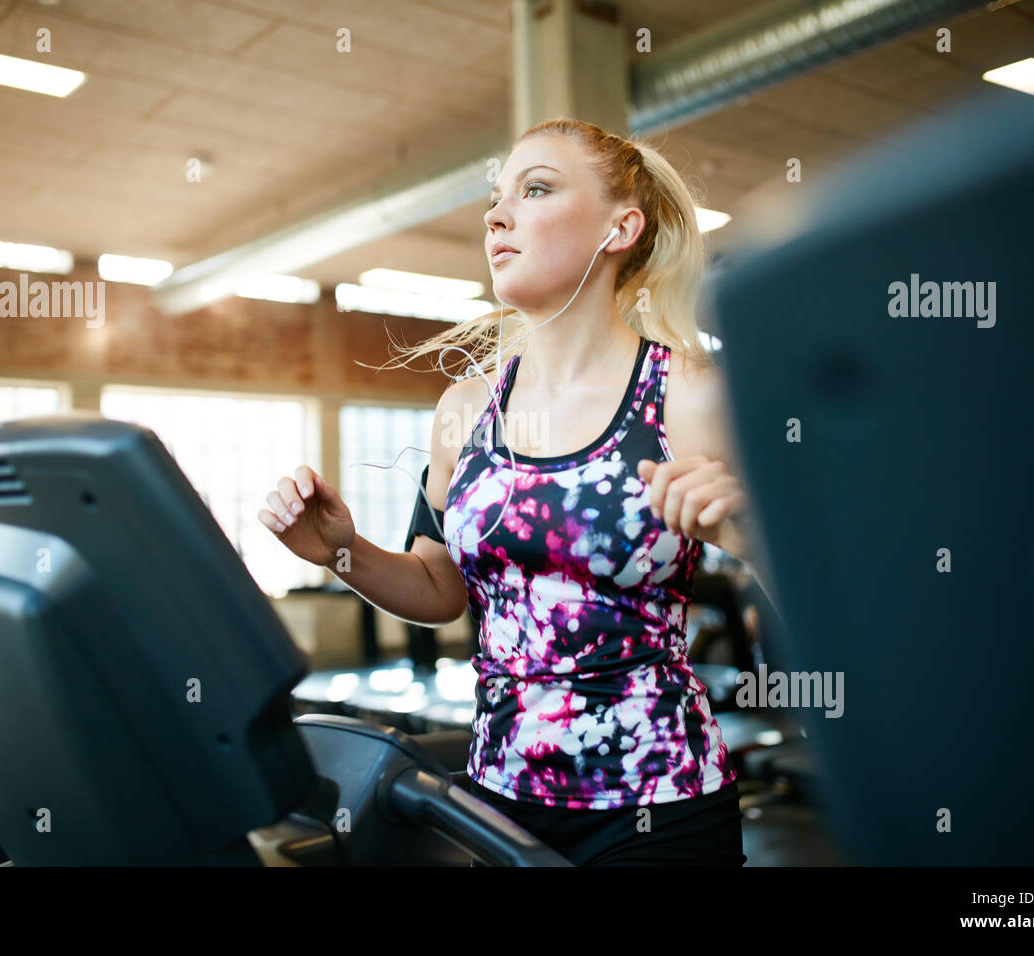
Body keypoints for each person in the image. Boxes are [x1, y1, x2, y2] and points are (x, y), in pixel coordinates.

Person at [259, 118, 755, 866]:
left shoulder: (686, 396)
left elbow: (836, 601)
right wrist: (342, 553)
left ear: (621, 227)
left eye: (536, 189)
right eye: (495, 200)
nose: (495, 216)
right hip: (498, 800)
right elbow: (439, 588)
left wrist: (746, 533)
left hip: (659, 802)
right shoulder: (467, 409)